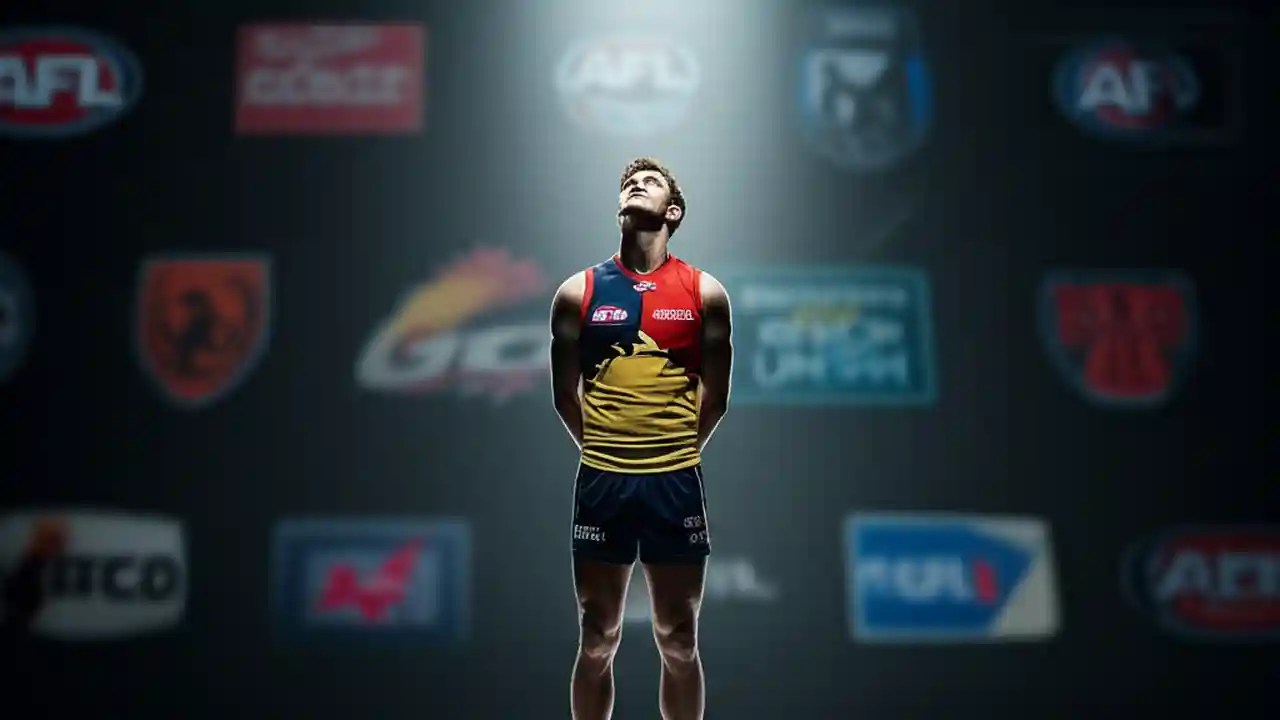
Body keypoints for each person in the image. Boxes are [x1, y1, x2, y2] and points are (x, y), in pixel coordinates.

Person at [550, 157, 732, 720]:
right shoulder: (576, 293)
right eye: (628, 182)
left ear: (672, 212)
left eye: (649, 183)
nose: (634, 185)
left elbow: (716, 399)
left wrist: (670, 453)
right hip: (603, 481)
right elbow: (565, 396)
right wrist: (608, 452)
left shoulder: (706, 294)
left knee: (678, 638)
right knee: (597, 636)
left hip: (674, 483)